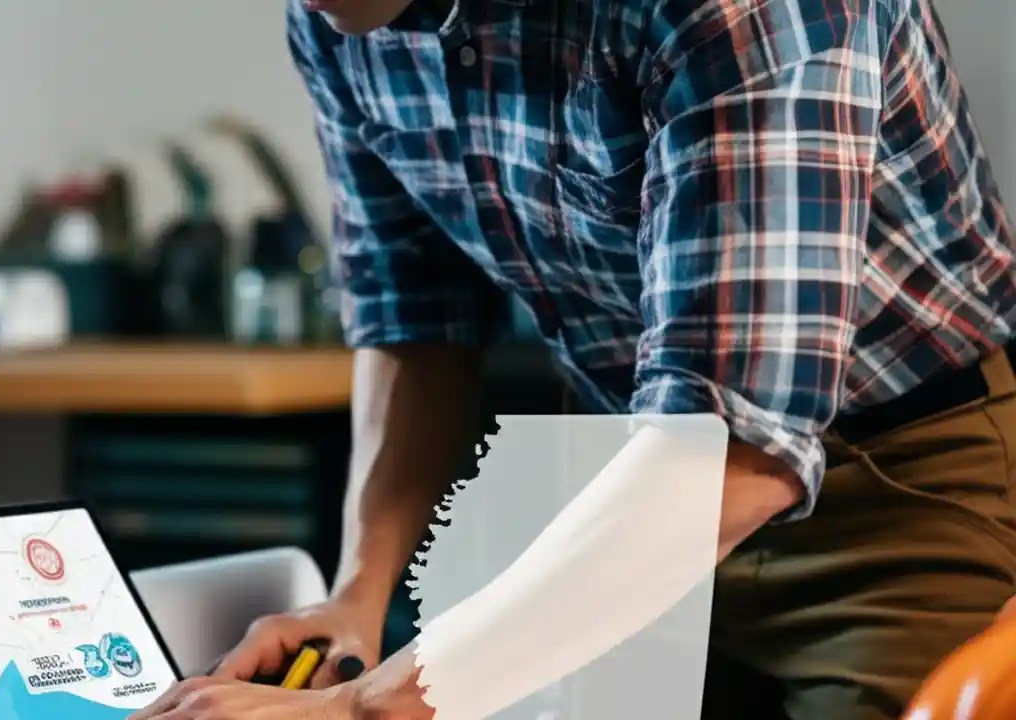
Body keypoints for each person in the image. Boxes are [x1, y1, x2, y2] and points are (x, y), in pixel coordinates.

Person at [131, 0, 1016, 717]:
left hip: (901, 481)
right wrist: (355, 600)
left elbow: (734, 454)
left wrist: (365, 706)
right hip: (629, 486)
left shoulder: (736, 6)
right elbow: (415, 315)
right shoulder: (338, 22)